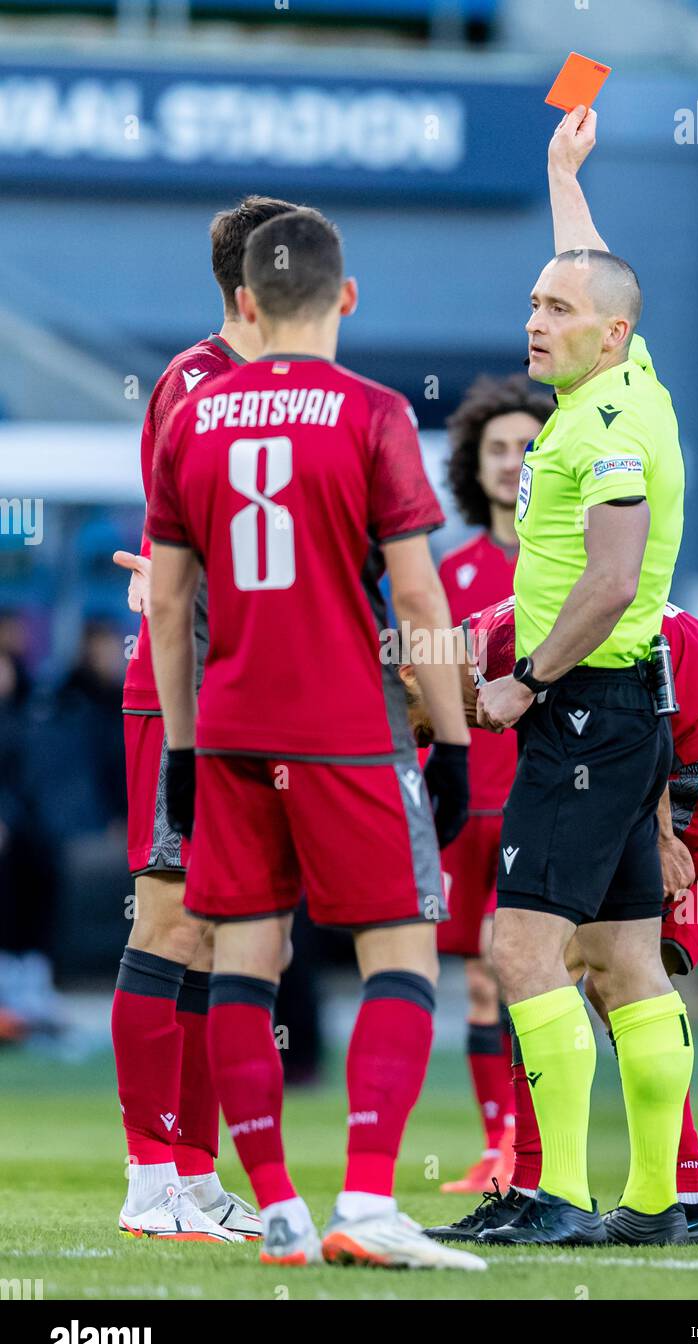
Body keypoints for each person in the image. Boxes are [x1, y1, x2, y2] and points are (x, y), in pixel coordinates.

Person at [147, 207, 483, 1272]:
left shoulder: (190, 417)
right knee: (398, 954)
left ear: (243, 303)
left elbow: (166, 606)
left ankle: (280, 1207)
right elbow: (420, 595)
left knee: (247, 959)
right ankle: (370, 1198)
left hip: (233, 730)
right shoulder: (373, 413)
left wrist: (179, 753)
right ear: (345, 297)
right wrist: (460, 742)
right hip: (345, 729)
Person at [401, 593, 698, 1244]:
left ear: (417, 673)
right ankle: (677, 1200)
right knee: (619, 976)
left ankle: (546, 1191)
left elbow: (633, 715)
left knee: (558, 960)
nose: (442, 737)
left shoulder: (504, 647)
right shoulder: (509, 623)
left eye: (422, 725)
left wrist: (662, 832)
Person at [465, 95, 688, 1244]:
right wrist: (564, 170)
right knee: (626, 958)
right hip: (627, 707)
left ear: (600, 333)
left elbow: (608, 578)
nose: (532, 319)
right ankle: (660, 1204)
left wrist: (522, 684)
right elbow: (598, 275)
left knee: (519, 945)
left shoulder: (601, 425)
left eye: (553, 308)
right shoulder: (629, 374)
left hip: (585, 711)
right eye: (530, 302)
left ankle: (553, 1195)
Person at [111, 196, 300, 1244]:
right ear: (251, 292)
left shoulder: (279, 396)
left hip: (248, 691)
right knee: (170, 921)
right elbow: (198, 548)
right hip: (185, 690)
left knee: (220, 935)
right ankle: (150, 1180)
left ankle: (190, 1172)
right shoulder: (199, 384)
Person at [435, 376, 552, 1195]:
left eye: (527, 447)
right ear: (473, 467)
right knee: (476, 979)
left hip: (539, 802)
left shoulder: (573, 567)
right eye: (497, 449)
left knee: (517, 971)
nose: (512, 463)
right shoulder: (444, 574)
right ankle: (496, 1147)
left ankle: (528, 1144)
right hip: (461, 806)